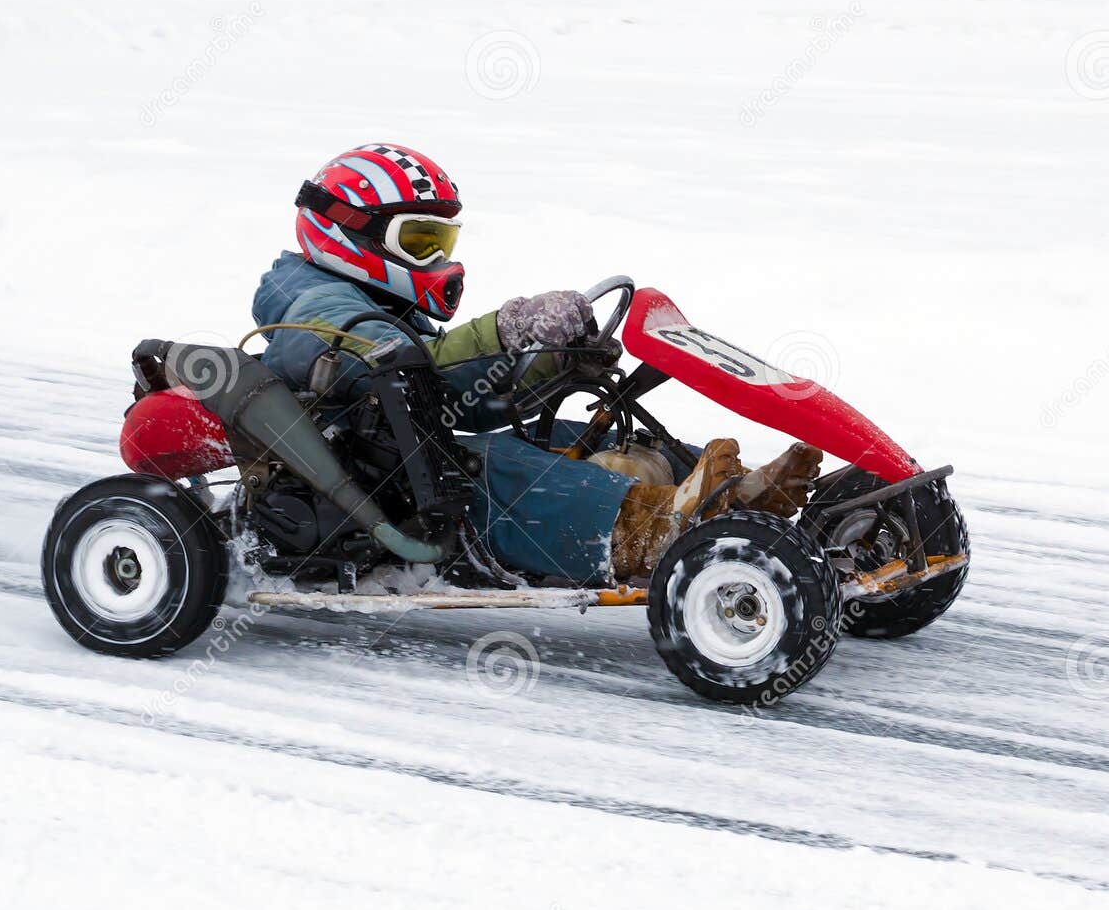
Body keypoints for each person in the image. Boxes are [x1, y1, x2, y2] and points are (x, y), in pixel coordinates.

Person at [252, 142, 821, 584]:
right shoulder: (314, 308)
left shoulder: (367, 300)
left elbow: (450, 397)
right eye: (419, 241)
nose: (436, 260)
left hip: (402, 463)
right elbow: (398, 371)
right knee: (493, 461)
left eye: (441, 241)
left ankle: (732, 492)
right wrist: (507, 330)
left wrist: (552, 360)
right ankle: (648, 527)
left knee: (571, 434)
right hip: (368, 486)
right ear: (347, 233)